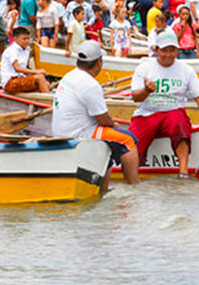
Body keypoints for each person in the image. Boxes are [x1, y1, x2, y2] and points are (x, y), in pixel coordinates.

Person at [52, 40, 140, 188]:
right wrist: (114, 125)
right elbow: (103, 119)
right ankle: (133, 186)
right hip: (79, 132)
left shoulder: (69, 76)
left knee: (111, 141)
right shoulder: (90, 84)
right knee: (128, 140)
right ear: (99, 62)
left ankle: (102, 187)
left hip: (62, 130)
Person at [130, 31, 199, 179]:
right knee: (132, 143)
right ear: (157, 50)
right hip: (147, 113)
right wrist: (146, 90)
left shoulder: (186, 70)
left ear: (177, 51)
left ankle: (183, 172)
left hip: (173, 111)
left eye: (172, 50)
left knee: (180, 125)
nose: (168, 54)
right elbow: (135, 97)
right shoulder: (144, 68)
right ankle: (132, 175)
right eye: (164, 50)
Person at [0, 26, 51, 94]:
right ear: (15, 39)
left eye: (28, 39)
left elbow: (26, 68)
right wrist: (36, 72)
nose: (27, 41)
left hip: (20, 78)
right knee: (40, 78)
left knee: (46, 84)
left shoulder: (26, 49)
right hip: (10, 82)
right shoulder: (12, 50)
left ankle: (40, 101)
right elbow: (17, 68)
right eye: (24, 39)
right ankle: (49, 104)